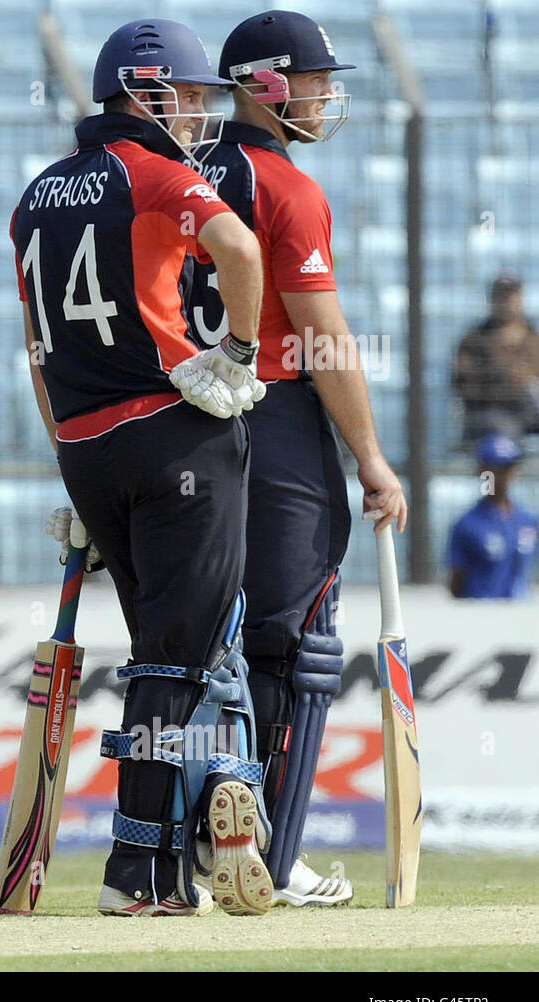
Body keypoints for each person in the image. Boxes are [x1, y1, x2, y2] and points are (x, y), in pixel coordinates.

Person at [17, 18, 272, 916]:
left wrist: (69, 467)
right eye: (192, 95)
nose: (202, 113)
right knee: (183, 660)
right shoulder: (158, 172)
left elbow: (35, 354)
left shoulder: (35, 196)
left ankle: (195, 830)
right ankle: (147, 866)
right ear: (146, 89)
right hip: (176, 431)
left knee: (173, 653)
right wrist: (237, 352)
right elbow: (242, 250)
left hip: (88, 446)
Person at [182, 10, 408, 907]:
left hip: (184, 417)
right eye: (313, 79)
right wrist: (373, 459)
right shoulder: (284, 186)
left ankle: (173, 854)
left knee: (194, 647)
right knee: (297, 643)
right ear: (265, 83)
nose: (324, 95)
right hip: (275, 425)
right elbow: (323, 337)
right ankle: (270, 863)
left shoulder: (179, 173)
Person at [452, 273, 539, 442]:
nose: (507, 302)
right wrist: (506, 381)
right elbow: (464, 385)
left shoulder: (534, 338)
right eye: (501, 297)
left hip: (531, 410)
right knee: (503, 430)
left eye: (511, 296)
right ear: (491, 300)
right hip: (492, 413)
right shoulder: (474, 340)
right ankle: (504, 468)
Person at [448, 434, 537, 598]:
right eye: (500, 468)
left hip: (519, 613)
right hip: (482, 614)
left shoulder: (528, 521)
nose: (506, 474)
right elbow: (456, 583)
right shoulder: (467, 525)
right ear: (483, 471)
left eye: (510, 466)